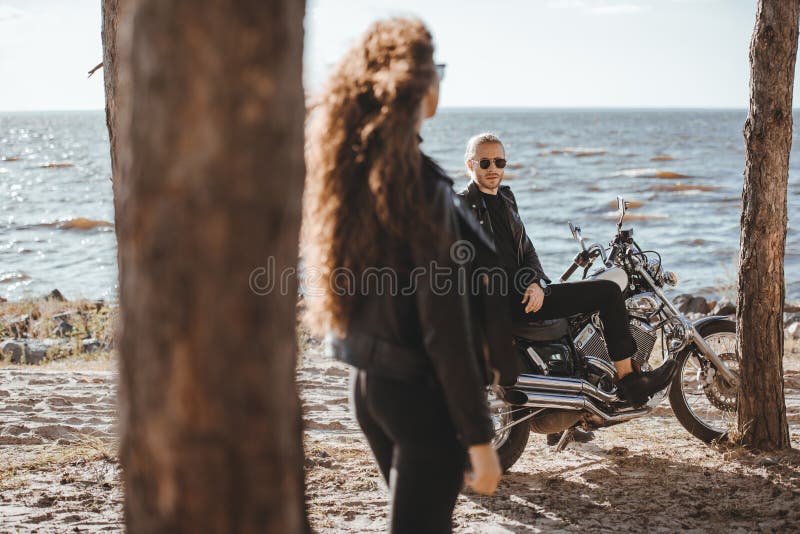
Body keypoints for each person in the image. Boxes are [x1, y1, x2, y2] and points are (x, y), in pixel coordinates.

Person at [302, 19, 506, 533]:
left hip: (370, 387)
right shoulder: (421, 187)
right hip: (419, 397)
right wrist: (481, 440)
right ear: (417, 85)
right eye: (436, 70)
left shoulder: (365, 172)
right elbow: (445, 326)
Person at [457, 133, 676, 416]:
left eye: (499, 161)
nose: (493, 169)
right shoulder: (460, 206)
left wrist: (537, 282)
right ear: (470, 165)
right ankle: (629, 380)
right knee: (608, 293)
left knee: (591, 302)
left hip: (527, 294)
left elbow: (528, 253)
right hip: (499, 303)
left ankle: (584, 395)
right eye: (484, 162)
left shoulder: (506, 199)